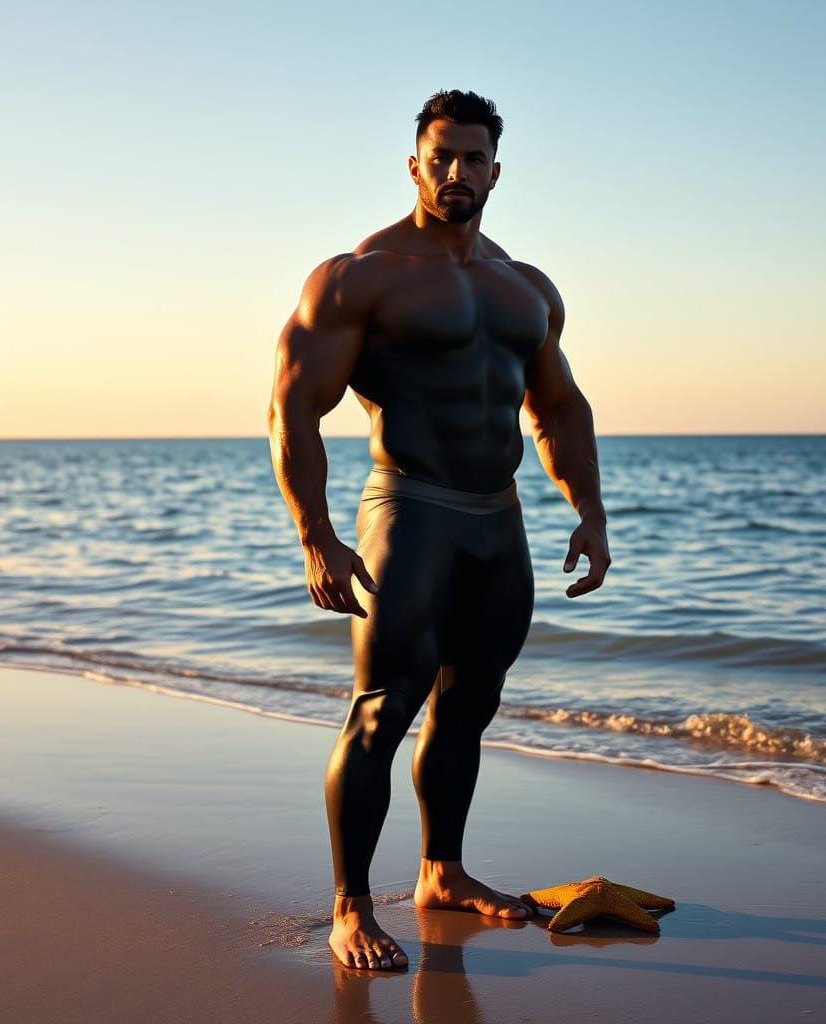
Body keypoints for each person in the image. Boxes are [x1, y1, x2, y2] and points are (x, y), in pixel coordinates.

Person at [268, 90, 610, 971]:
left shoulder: (527, 287)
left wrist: (592, 512)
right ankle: (350, 907)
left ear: (497, 169)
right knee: (383, 709)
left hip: (500, 519)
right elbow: (295, 407)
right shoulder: (359, 275)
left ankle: (442, 874)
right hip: (408, 513)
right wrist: (315, 533)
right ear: (415, 164)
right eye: (442, 157)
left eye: (474, 159)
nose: (457, 172)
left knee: (470, 705)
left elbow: (560, 407)